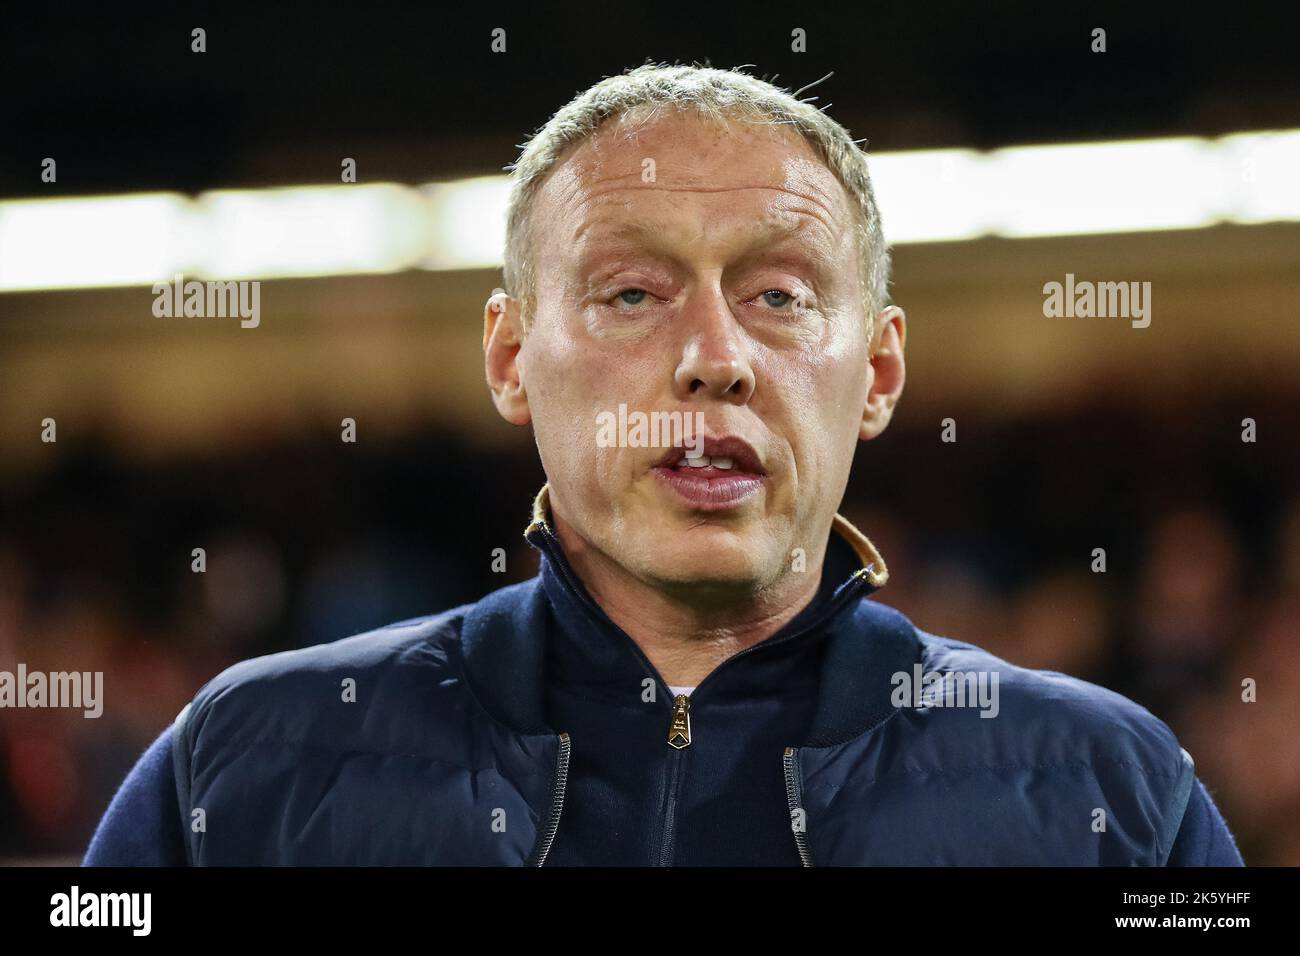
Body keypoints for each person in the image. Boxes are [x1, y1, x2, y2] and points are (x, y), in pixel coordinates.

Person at [84, 63, 1243, 866]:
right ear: (510, 357)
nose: (712, 359)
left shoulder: (1107, 787)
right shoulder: (248, 765)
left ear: (880, 375)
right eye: (631, 293)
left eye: (779, 295)